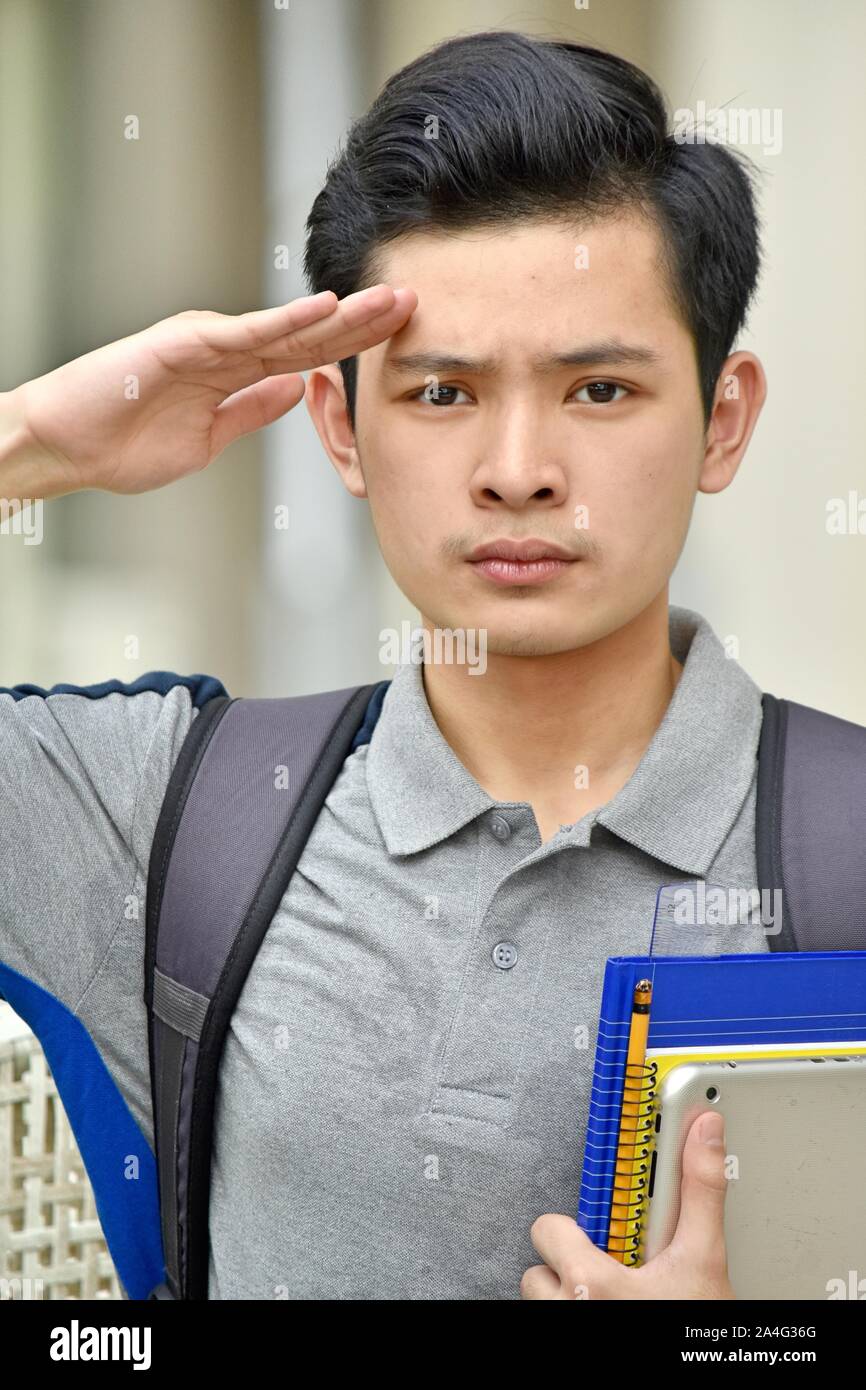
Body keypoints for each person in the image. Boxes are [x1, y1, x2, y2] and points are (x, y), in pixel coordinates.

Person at [0, 30, 770, 1300]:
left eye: (594, 390)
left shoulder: (840, 845)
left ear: (719, 418)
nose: (515, 468)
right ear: (338, 430)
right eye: (439, 393)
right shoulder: (166, 819)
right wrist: (32, 441)